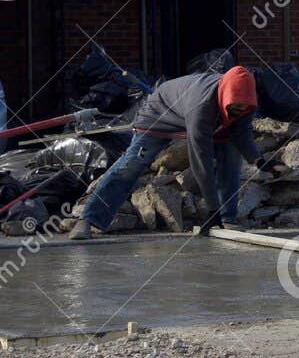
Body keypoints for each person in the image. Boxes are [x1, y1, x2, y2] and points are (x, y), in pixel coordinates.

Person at [70, 65, 259, 239]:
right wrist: (211, 209)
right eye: (234, 107)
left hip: (203, 117)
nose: (239, 111)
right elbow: (201, 160)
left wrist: (258, 159)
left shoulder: (245, 102)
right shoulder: (201, 107)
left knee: (231, 156)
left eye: (242, 108)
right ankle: (88, 220)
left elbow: (242, 132)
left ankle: (228, 219)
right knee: (130, 166)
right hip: (158, 116)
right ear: (225, 95)